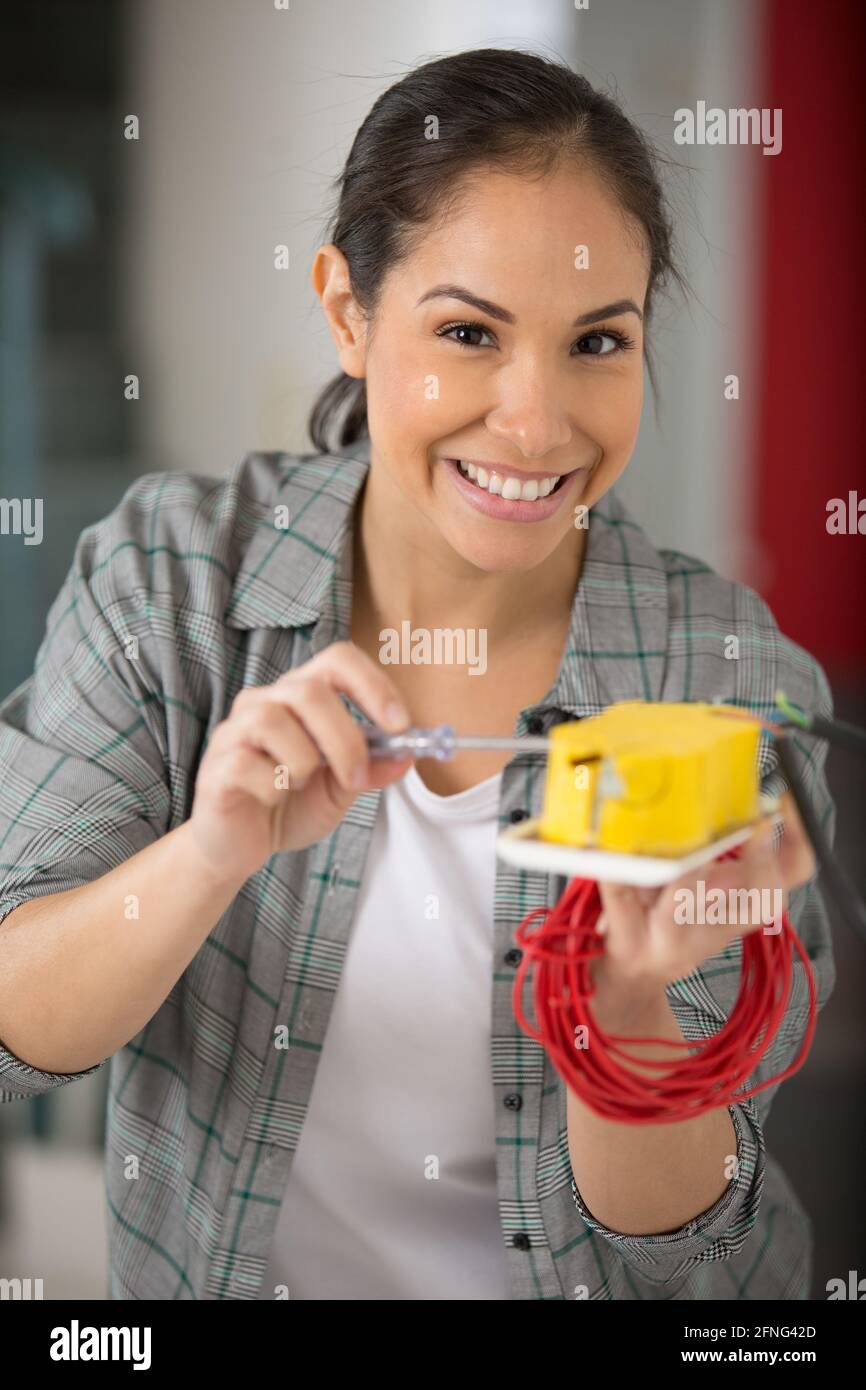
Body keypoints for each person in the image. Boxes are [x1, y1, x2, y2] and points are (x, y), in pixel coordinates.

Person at [0, 48, 834, 1301]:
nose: (537, 420)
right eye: (466, 332)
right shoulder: (164, 580)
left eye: (595, 341)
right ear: (346, 308)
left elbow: (694, 1258)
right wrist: (208, 852)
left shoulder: (717, 670)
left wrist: (622, 1015)